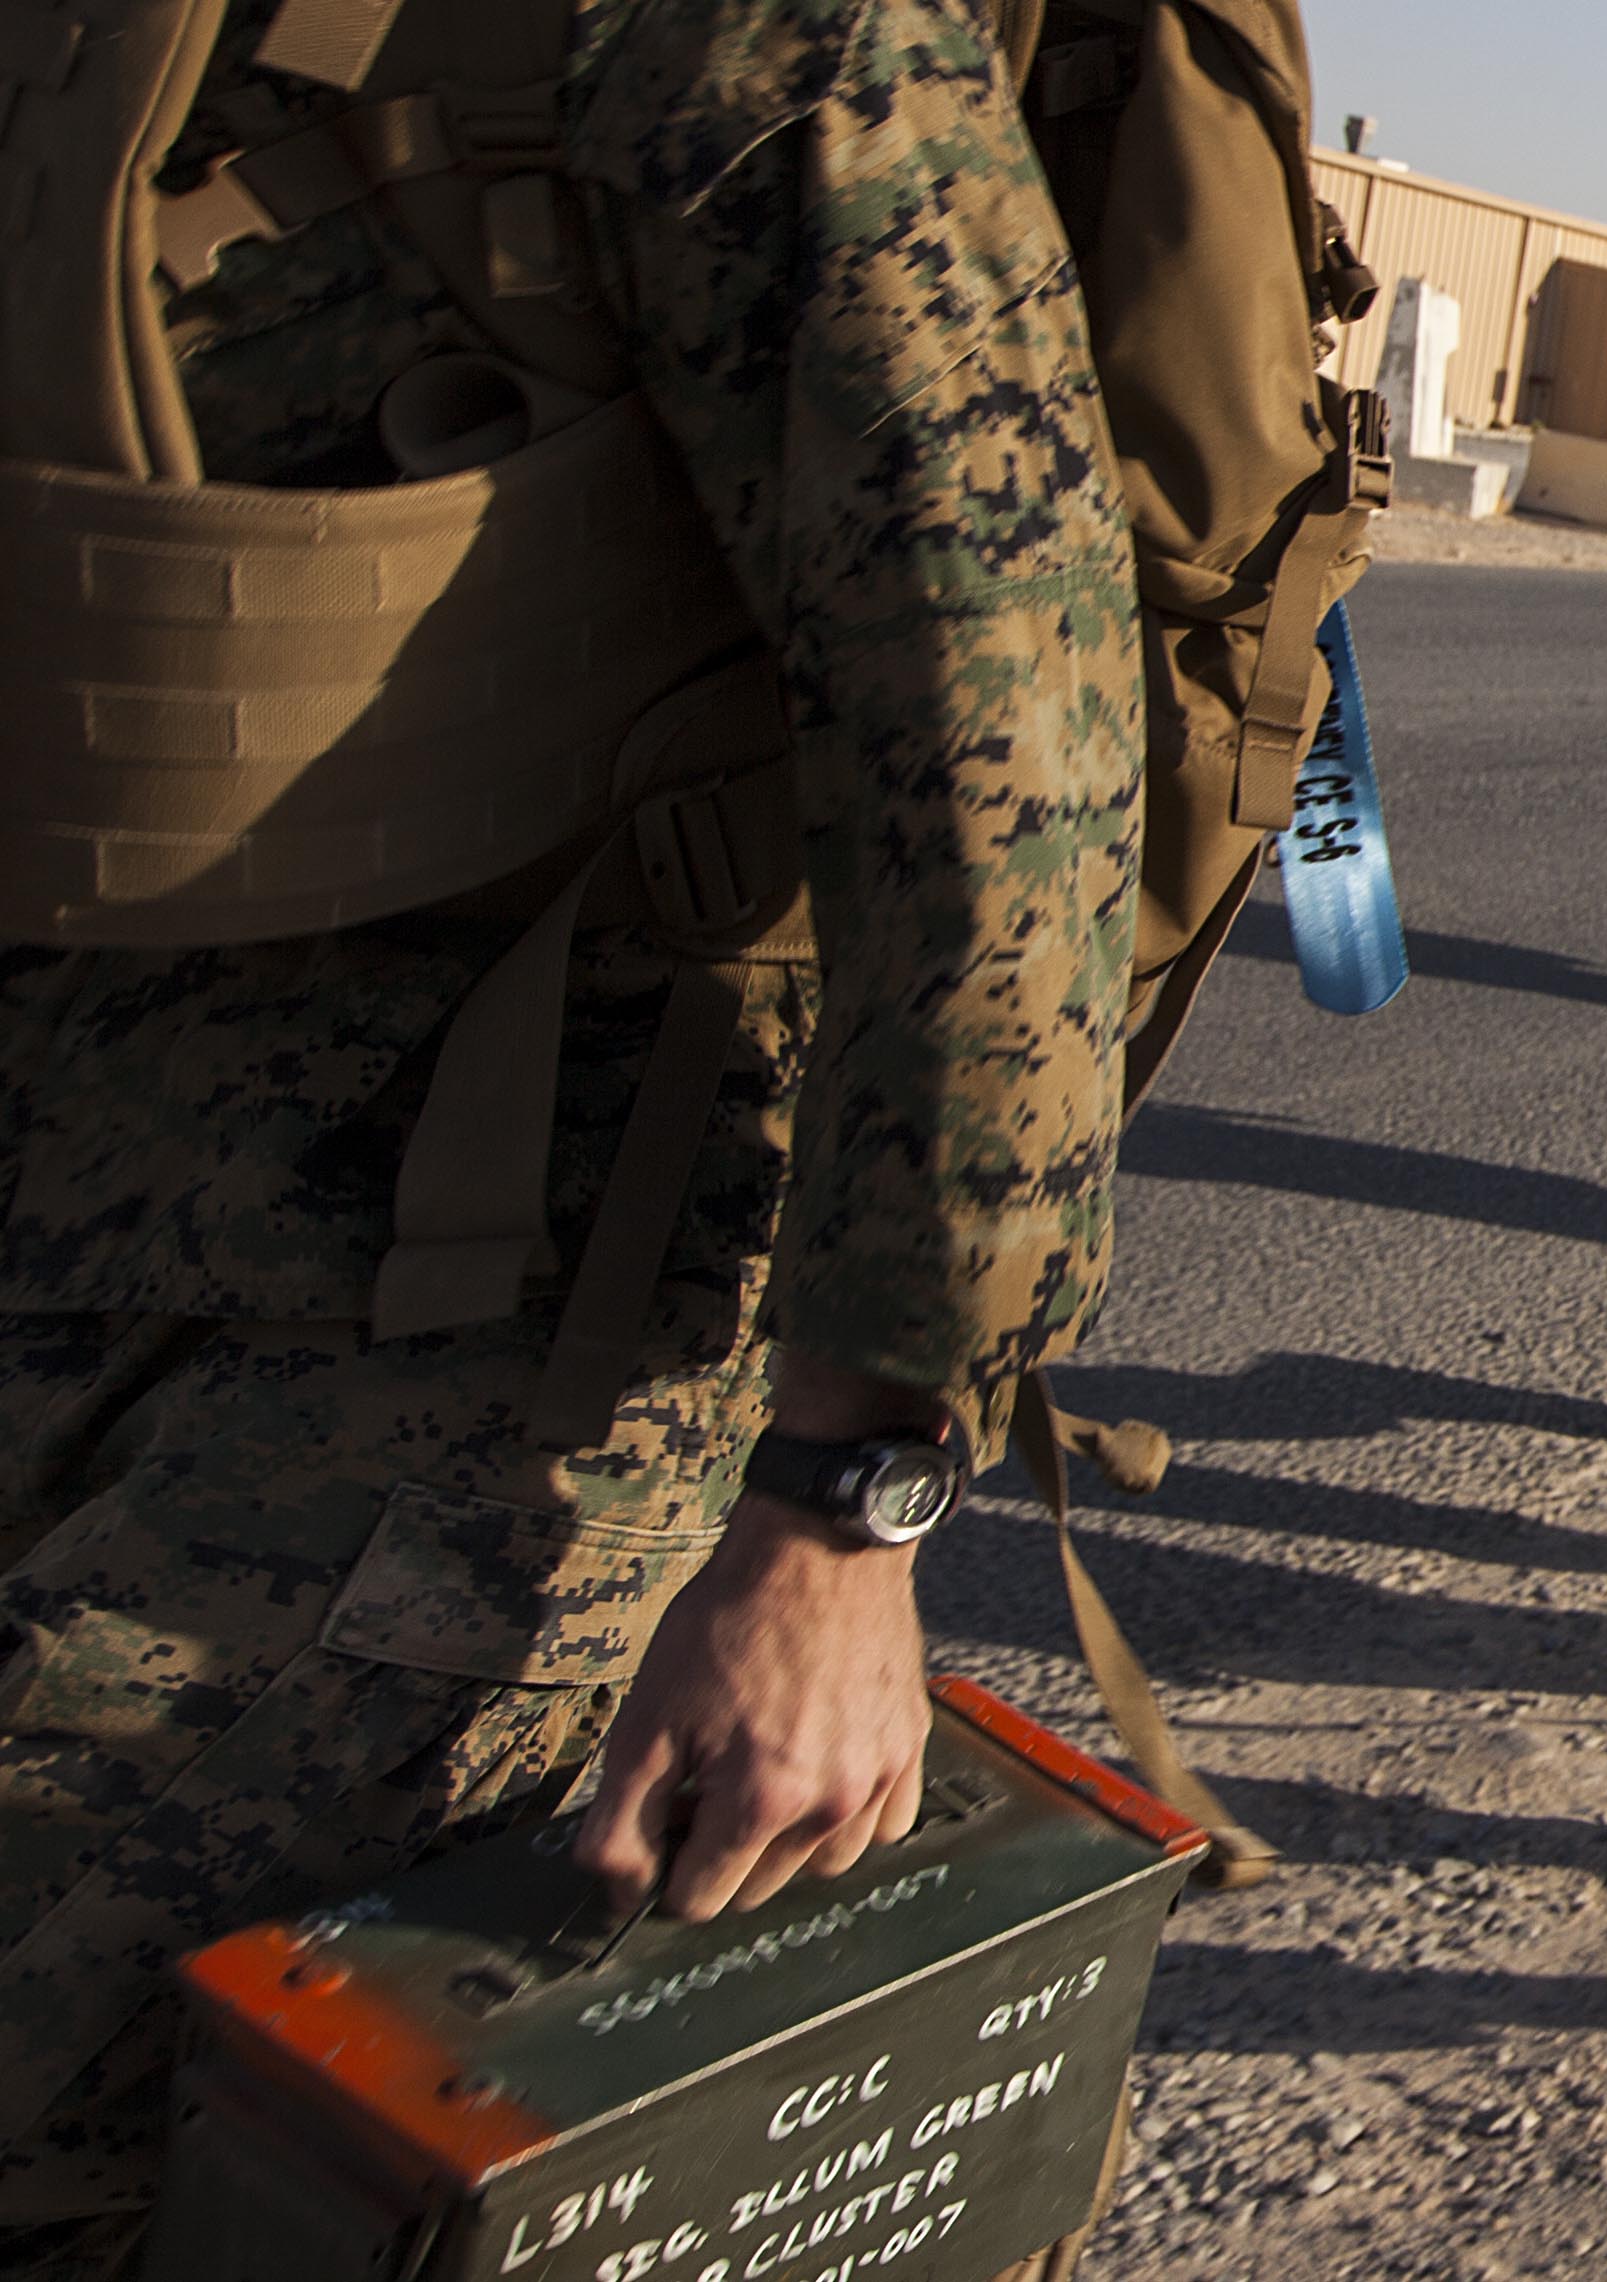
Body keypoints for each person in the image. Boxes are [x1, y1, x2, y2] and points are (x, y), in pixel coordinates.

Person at [0, 2, 1149, 2270]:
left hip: (435, 1381)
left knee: (153, 2162)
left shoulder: (752, 35)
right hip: (78, 1225)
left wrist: (848, 1508)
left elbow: (1014, 741)